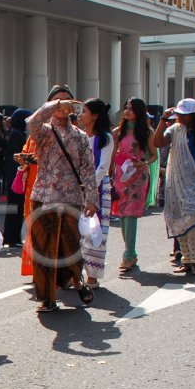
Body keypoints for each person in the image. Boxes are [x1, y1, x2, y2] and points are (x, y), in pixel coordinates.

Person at [25, 87, 100, 313]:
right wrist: (53, 107)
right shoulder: (43, 131)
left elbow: (88, 169)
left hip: (71, 198)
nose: (63, 105)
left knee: (70, 246)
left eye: (67, 101)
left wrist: (92, 199)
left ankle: (77, 279)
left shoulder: (80, 136)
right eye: (58, 101)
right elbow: (31, 121)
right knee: (43, 250)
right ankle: (47, 298)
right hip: (43, 196)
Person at [152, 99, 195, 276]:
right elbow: (158, 142)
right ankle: (187, 259)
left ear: (194, 115)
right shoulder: (175, 129)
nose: (180, 117)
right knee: (180, 216)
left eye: (185, 115)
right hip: (179, 181)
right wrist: (163, 120)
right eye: (179, 114)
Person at [111, 98, 153, 273]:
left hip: (138, 175)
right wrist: (109, 174)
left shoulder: (146, 132)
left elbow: (154, 155)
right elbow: (112, 155)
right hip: (121, 175)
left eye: (131, 108)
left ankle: (128, 255)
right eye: (126, 108)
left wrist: (143, 162)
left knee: (131, 214)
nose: (127, 111)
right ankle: (131, 252)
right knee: (122, 213)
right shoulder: (117, 132)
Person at [77, 98, 113, 287]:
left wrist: (89, 187)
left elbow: (103, 167)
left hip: (97, 189)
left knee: (96, 231)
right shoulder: (79, 136)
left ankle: (92, 276)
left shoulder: (105, 138)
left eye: (84, 111)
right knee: (77, 232)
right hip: (77, 189)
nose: (80, 115)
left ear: (95, 116)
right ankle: (75, 274)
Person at [3, 109, 31, 247]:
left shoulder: (14, 132)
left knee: (16, 207)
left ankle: (12, 237)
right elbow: (18, 156)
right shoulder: (17, 134)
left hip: (13, 173)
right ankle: (12, 238)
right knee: (16, 206)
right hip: (16, 174)